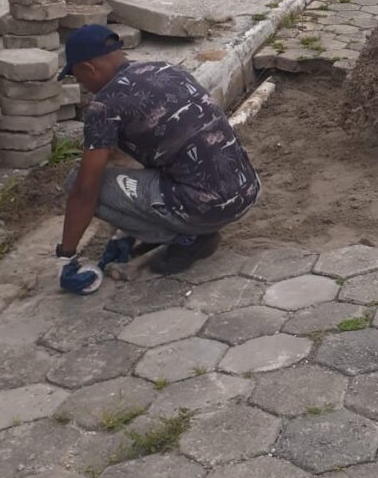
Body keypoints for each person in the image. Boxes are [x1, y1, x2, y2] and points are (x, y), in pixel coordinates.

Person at [55, 25, 260, 293]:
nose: (81, 85)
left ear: (88, 69)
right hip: (247, 189)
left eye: (77, 76)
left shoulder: (105, 106)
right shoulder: (166, 70)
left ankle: (189, 237)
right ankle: (182, 227)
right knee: (140, 176)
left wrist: (65, 257)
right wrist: (124, 233)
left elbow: (85, 191)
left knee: (77, 183)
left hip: (208, 208)